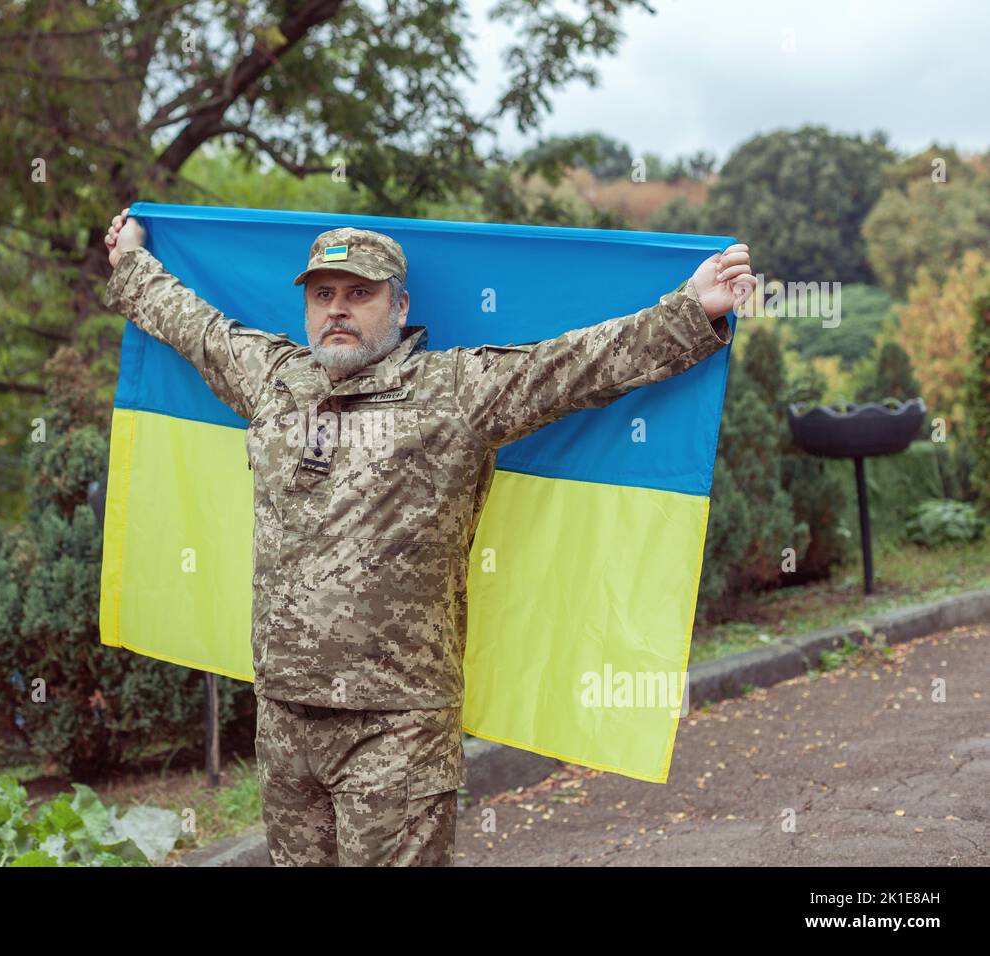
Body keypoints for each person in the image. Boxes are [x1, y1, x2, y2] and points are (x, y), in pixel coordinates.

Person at [102, 207, 754, 866]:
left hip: (396, 726)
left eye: (361, 293)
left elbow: (576, 364)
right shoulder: (274, 380)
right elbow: (196, 327)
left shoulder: (453, 391)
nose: (338, 310)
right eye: (323, 294)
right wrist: (131, 259)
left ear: (400, 303)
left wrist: (694, 308)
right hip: (284, 716)